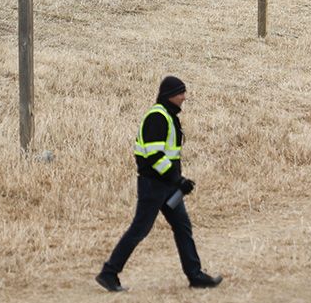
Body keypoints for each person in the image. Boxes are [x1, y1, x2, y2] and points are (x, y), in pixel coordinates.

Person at [95, 75, 223, 292]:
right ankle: (109, 273)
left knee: (182, 227)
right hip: (154, 186)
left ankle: (195, 275)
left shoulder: (168, 115)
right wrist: (177, 180)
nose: (184, 97)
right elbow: (153, 157)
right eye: (181, 92)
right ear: (169, 95)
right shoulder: (158, 117)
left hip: (167, 187)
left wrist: (177, 182)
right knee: (140, 229)